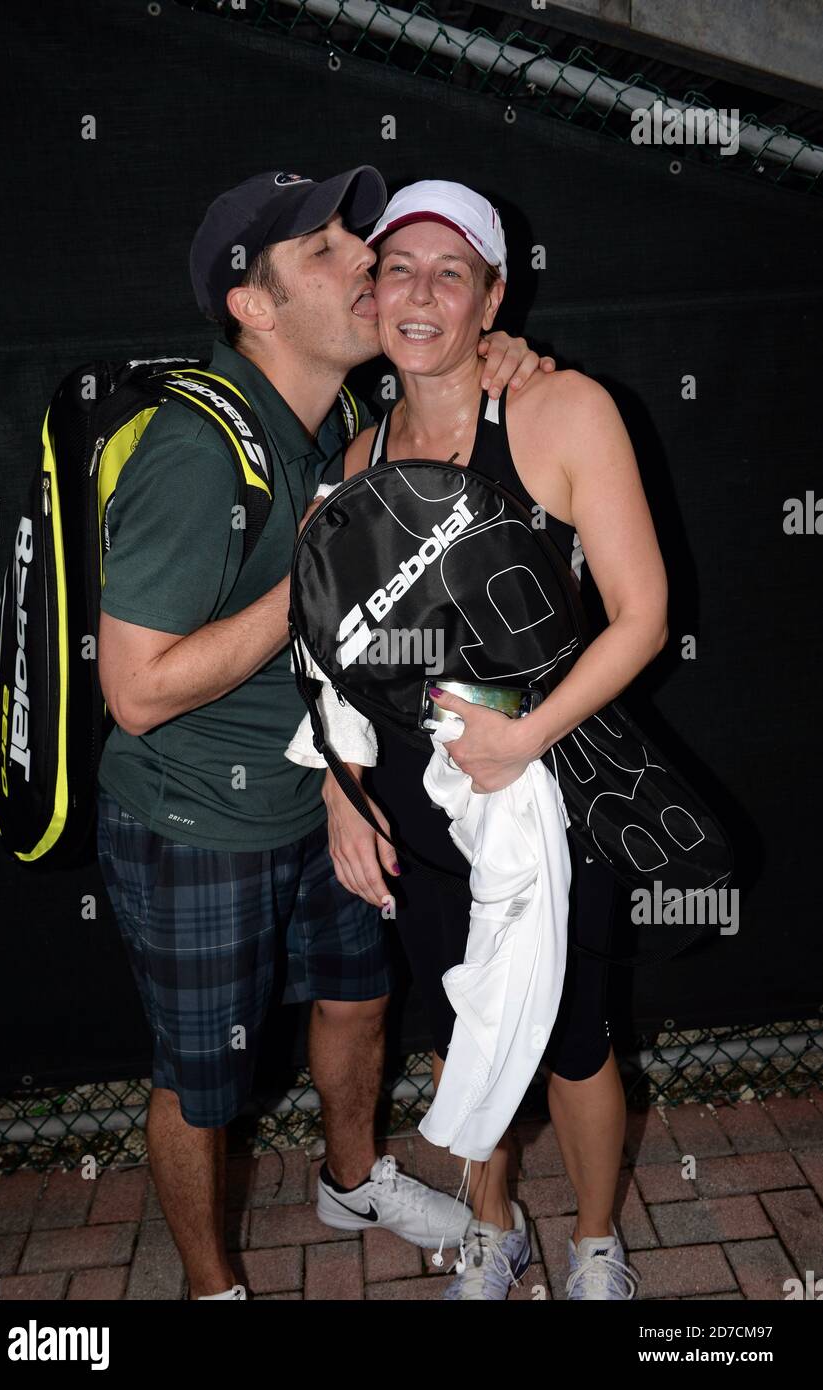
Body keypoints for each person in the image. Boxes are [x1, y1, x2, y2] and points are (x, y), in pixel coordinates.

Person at [95, 166, 552, 1300]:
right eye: (327, 253)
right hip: (195, 815)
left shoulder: (341, 421)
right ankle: (214, 1286)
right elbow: (137, 690)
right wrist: (306, 572)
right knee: (203, 1081)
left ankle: (351, 1180)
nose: (366, 262)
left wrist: (507, 358)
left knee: (359, 1001)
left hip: (329, 793)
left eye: (361, 237)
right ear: (253, 305)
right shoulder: (192, 453)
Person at [325, 180, 668, 1300]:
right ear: (371, 294)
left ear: (491, 299)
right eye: (399, 269)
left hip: (560, 788)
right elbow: (333, 655)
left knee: (575, 1036)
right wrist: (342, 790)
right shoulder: (355, 464)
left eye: (451, 272)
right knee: (455, 1020)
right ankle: (494, 1226)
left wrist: (526, 739)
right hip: (426, 811)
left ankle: (597, 1241)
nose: (419, 293)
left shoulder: (561, 413)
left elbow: (641, 615)